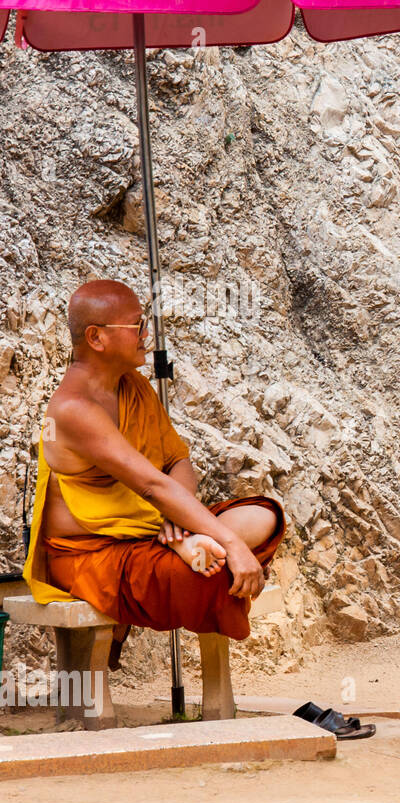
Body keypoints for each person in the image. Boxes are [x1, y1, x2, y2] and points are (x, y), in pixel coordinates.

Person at [22, 279, 286, 666]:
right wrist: (230, 544)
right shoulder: (73, 409)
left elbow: (177, 461)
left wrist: (174, 520)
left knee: (264, 514)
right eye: (138, 326)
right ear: (96, 337)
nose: (147, 335)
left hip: (150, 532)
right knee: (210, 571)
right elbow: (149, 484)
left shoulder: (135, 386)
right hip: (95, 555)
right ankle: (191, 550)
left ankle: (188, 545)